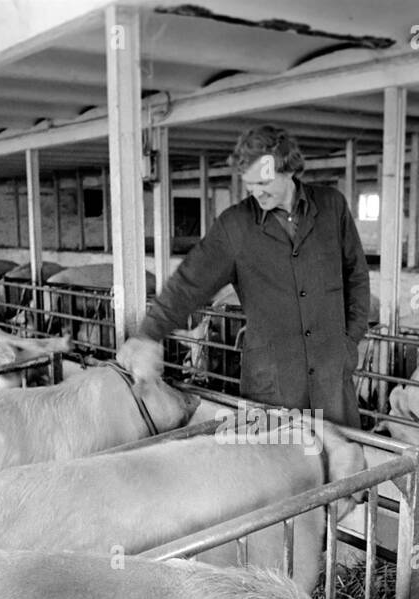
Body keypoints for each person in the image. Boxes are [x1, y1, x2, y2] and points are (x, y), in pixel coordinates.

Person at [116, 125, 373, 426]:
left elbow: (356, 275)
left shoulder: (331, 206)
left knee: (343, 465)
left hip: (332, 377)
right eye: (249, 184)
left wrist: (349, 339)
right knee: (280, 466)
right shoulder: (235, 226)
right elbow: (189, 282)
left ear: (288, 169)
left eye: (264, 182)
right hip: (273, 384)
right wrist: (149, 334)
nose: (256, 192)